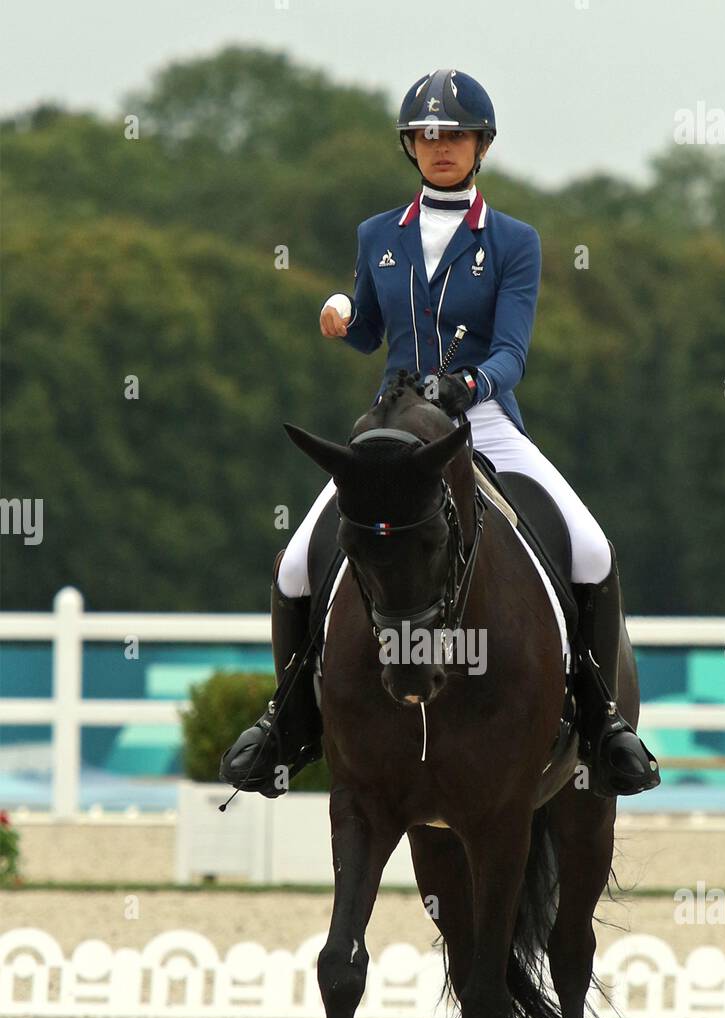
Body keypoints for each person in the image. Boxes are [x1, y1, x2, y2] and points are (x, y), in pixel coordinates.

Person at [221, 68, 659, 798]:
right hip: (394, 428)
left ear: (480, 144)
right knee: (295, 563)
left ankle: (602, 719)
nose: (440, 145)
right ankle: (289, 722)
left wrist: (467, 385)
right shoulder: (376, 236)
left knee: (591, 548)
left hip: (481, 420)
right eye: (426, 135)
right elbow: (370, 330)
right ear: (410, 147)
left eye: (454, 134)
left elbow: (512, 353)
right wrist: (342, 322)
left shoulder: (514, 241)